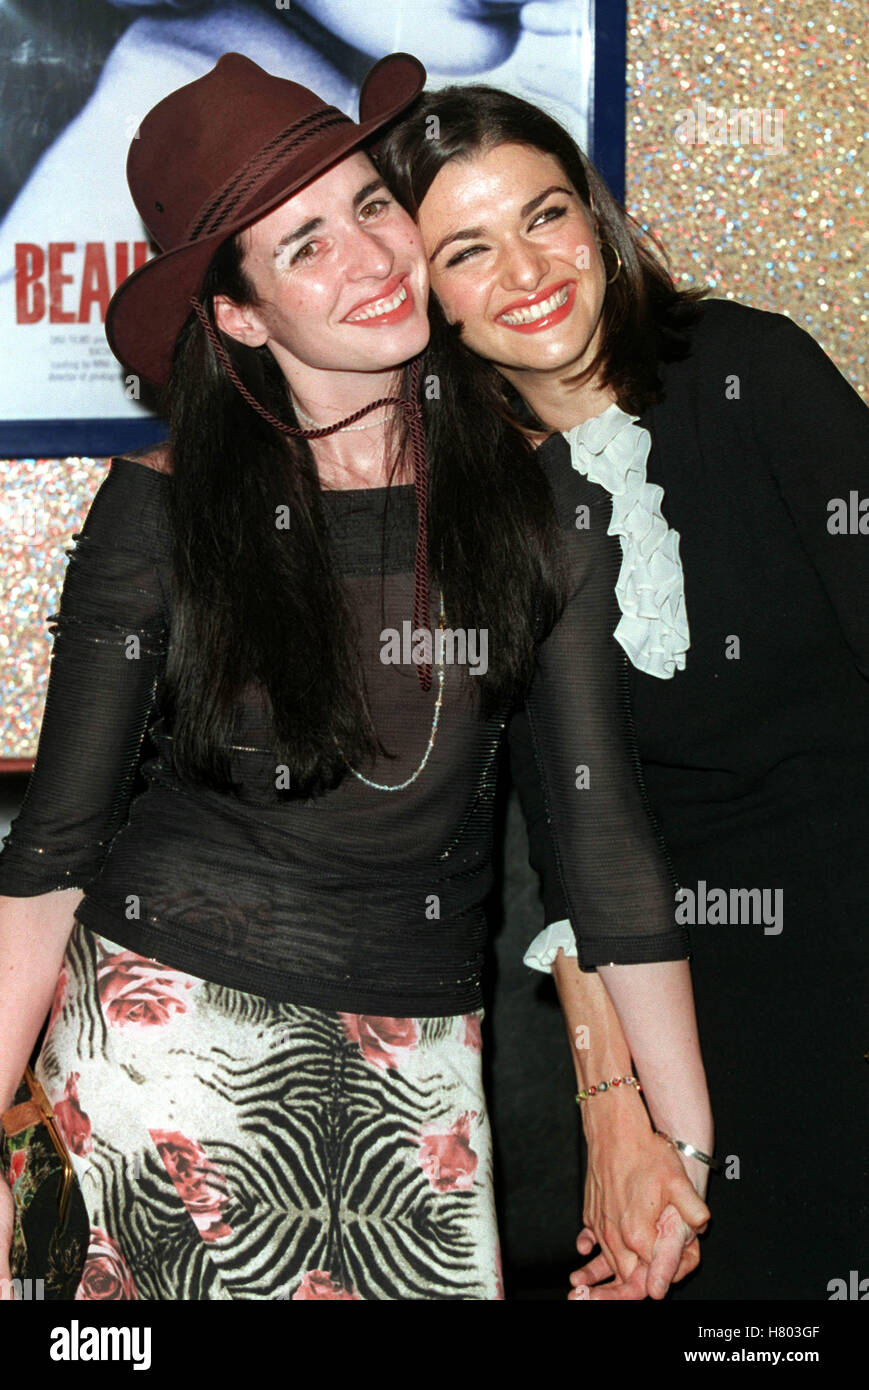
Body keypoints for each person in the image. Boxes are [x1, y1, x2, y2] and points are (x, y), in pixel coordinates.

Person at [0, 51, 711, 1302]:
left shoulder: (544, 500)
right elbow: (53, 850)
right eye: (303, 245)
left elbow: (605, 845)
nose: (373, 260)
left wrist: (678, 1145)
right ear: (238, 315)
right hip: (156, 1060)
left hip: (420, 1082)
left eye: (370, 205)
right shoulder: (163, 513)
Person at [377, 81, 869, 1300]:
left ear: (597, 224)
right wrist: (618, 1111)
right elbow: (570, 829)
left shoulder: (753, 370)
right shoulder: (478, 506)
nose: (525, 270)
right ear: (424, 293)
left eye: (544, 216)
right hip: (689, 1001)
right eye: (466, 250)